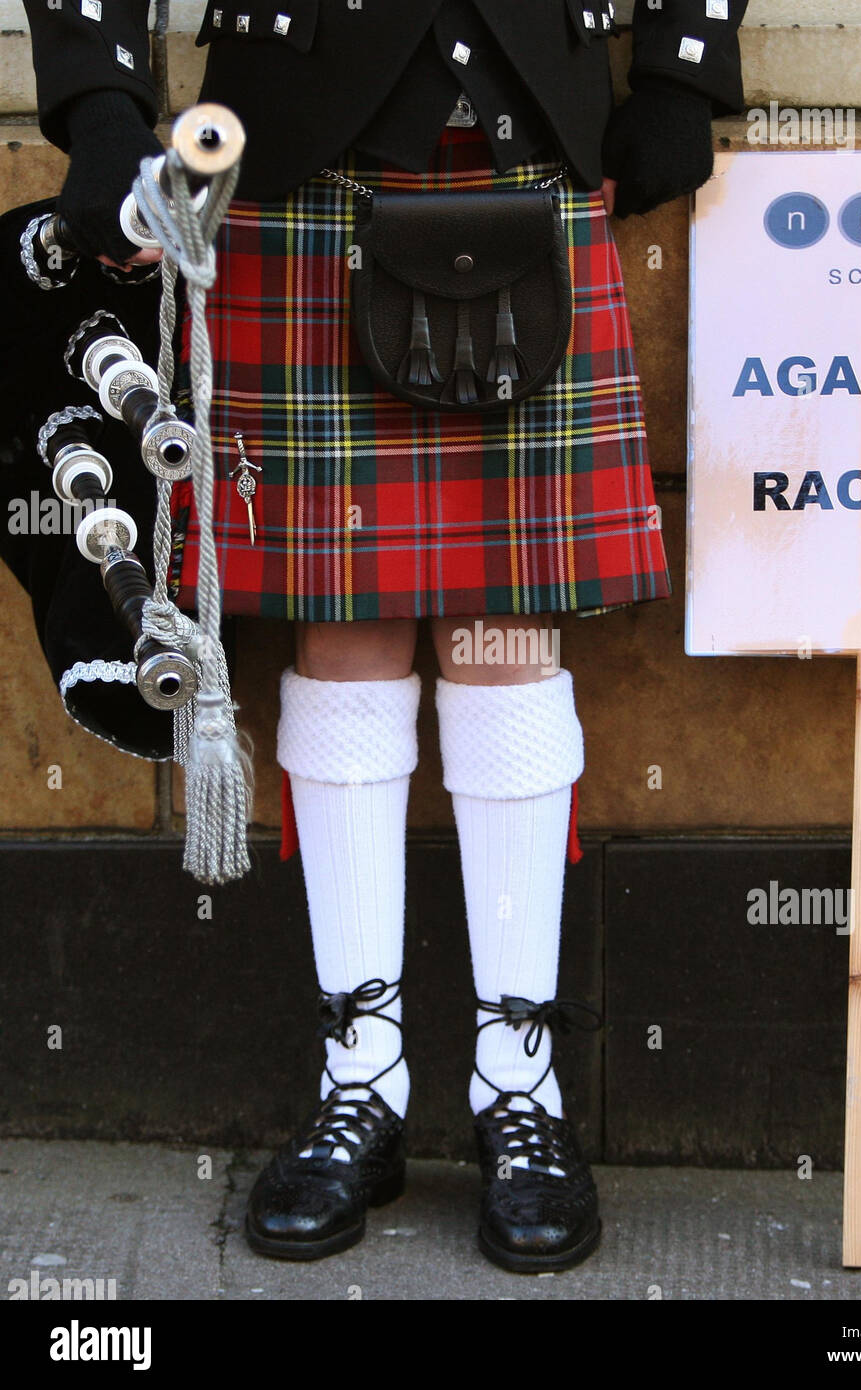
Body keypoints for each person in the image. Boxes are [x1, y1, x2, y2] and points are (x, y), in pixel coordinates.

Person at [23, 0, 749, 1274]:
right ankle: (360, 1083)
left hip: (534, 126)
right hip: (298, 137)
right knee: (342, 631)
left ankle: (521, 1090)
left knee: (506, 632)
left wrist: (685, 65)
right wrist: (100, 103)